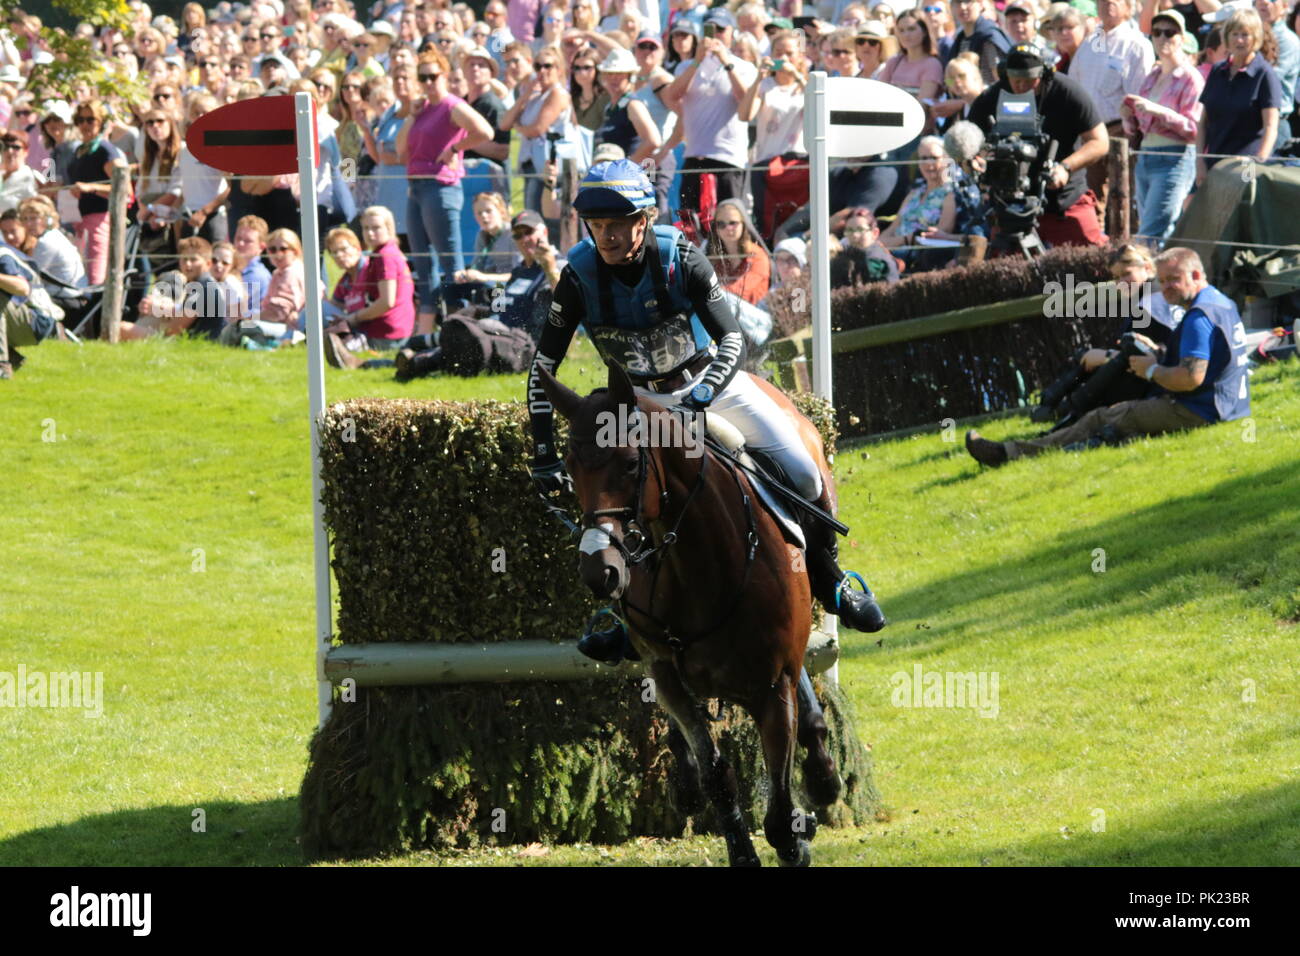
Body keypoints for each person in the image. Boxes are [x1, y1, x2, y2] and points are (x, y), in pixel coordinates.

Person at [526, 159, 887, 662]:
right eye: (596, 225)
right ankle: (622, 616)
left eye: (617, 223)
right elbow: (543, 367)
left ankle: (829, 577)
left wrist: (700, 395)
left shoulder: (683, 258)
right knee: (613, 493)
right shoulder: (579, 276)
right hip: (632, 404)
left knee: (804, 474)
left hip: (707, 384)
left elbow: (732, 339)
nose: (605, 236)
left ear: (645, 219)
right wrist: (543, 452)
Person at [966, 247, 1249, 465]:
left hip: (1202, 410)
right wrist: (1158, 352)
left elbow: (1190, 378)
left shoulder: (1198, 317)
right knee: (1114, 421)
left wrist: (1151, 369)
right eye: (1163, 281)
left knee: (1102, 417)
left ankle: (1010, 454)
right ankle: (1094, 441)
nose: (1166, 288)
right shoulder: (1220, 302)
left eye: (1174, 280)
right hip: (1231, 405)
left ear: (1196, 275)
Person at [967, 45, 1110, 248]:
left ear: (1044, 74)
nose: (1021, 86)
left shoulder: (1066, 91)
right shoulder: (992, 96)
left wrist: (1065, 167)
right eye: (1015, 80)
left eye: (1029, 80)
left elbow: (1100, 141)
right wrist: (974, 159)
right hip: (1009, 204)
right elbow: (965, 139)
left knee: (1092, 259)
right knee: (1006, 269)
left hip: (1063, 199)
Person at [1031, 243, 1185, 426]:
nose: (1122, 282)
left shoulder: (1151, 301)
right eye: (1116, 277)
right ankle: (1056, 403)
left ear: (1148, 268)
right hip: (1155, 369)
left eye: (1127, 274)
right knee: (1087, 357)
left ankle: (1064, 407)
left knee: (1098, 360)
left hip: (1160, 376)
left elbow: (1138, 353)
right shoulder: (1149, 295)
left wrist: (1105, 357)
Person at [396, 208, 561, 380]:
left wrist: (550, 268)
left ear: (544, 232)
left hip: (520, 342)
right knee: (465, 316)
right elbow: (501, 302)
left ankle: (418, 359)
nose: (525, 239)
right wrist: (489, 302)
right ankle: (414, 355)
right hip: (494, 328)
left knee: (470, 335)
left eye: (529, 232)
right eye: (518, 236)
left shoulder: (559, 265)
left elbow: (566, 302)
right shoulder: (520, 270)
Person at [398, 48, 495, 337]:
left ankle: (460, 332)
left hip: (441, 186)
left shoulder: (452, 106)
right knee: (422, 263)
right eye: (422, 77)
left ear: (444, 76)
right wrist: (410, 117)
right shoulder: (422, 109)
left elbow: (485, 132)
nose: (428, 82)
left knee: (450, 261)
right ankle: (424, 337)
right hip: (416, 187)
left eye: (433, 76)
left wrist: (455, 148)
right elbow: (400, 149)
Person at [662, 9, 759, 213]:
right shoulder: (686, 67)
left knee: (730, 225)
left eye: (721, 30)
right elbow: (672, 95)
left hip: (729, 159)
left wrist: (727, 63)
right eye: (711, 30)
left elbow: (745, 102)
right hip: (694, 156)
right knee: (691, 226)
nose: (716, 35)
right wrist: (697, 61)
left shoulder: (744, 67)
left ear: (732, 33)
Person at [1121, 10, 1203, 243]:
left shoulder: (1191, 78)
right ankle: (1157, 279)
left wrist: (1160, 111)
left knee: (1151, 233)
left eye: (1170, 32)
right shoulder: (1153, 75)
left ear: (1182, 38)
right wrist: (1128, 115)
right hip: (1145, 156)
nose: (1163, 38)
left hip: (1174, 158)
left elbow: (1193, 129)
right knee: (1154, 230)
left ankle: (1145, 280)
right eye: (1157, 32)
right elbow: (1138, 125)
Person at [1069, 0, 1155, 217]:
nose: (1108, 3)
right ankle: (1094, 248)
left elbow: (1141, 97)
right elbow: (1074, 87)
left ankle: (1128, 248)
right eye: (1103, 0)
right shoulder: (1088, 45)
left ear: (1129, 6)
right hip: (1089, 132)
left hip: (1123, 132)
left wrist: (1135, 133)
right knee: (1091, 199)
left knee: (1125, 199)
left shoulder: (1137, 44)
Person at [1198, 5, 1283, 184]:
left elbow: (1271, 127)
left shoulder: (1265, 74)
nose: (1240, 40)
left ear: (1256, 38)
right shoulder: (1217, 71)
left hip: (1246, 169)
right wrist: (1199, 162)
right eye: (1235, 34)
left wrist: (1257, 164)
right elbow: (1203, 122)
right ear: (1226, 37)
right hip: (1214, 165)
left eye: (1245, 34)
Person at [324, 206, 416, 367]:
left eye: (376, 227)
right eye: (366, 228)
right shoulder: (386, 252)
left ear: (389, 228)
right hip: (392, 330)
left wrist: (353, 319)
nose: (370, 233)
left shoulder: (385, 256)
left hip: (386, 334)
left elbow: (387, 302)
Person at [741, 27, 808, 240]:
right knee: (767, 224)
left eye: (789, 53)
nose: (783, 58)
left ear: (799, 56)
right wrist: (758, 79)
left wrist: (796, 75)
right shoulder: (766, 85)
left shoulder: (806, 85)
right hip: (766, 162)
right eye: (778, 52)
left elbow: (821, 107)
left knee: (792, 222)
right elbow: (745, 114)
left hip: (797, 163)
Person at [119, 236, 227, 341]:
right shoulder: (203, 284)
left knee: (121, 328)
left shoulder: (204, 288)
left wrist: (158, 311)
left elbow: (174, 330)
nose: (187, 264)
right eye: (184, 259)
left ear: (208, 264)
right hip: (186, 339)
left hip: (189, 344)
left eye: (194, 259)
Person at [66, 100, 127, 286]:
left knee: (95, 277)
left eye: (91, 120)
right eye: (81, 120)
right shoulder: (78, 150)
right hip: (78, 219)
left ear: (101, 122)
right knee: (79, 275)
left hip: (100, 219)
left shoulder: (105, 150)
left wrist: (90, 187)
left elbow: (123, 188)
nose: (85, 125)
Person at [877, 135, 958, 269]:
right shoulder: (914, 193)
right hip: (893, 250)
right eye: (923, 158)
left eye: (934, 157)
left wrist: (904, 241)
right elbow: (892, 228)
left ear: (946, 160)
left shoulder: (949, 194)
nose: (928, 163)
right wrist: (885, 243)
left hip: (917, 258)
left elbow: (939, 234)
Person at [593, 47, 662, 164]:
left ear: (630, 76)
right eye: (609, 73)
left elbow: (653, 141)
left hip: (633, 177)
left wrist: (627, 167)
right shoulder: (610, 107)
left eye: (620, 73)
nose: (613, 78)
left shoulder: (633, 105)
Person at [707, 197, 771, 305]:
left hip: (755, 314)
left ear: (744, 224)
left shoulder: (757, 255)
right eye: (721, 224)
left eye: (733, 223)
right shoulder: (717, 259)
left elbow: (741, 292)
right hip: (726, 311)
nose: (728, 228)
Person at [943, 0, 1012, 85]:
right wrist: (950, 90)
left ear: (980, 5)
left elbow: (1001, 80)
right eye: (958, 2)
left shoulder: (988, 38)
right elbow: (949, 80)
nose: (962, 7)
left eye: (967, 1)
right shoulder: (959, 40)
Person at [831, 206, 901, 285]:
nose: (855, 235)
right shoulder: (852, 255)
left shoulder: (874, 259)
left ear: (875, 233)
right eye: (850, 230)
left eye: (860, 230)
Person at [0, 130, 42, 214]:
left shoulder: (33, 176)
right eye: (6, 147)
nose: (10, 151)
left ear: (26, 151)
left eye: (16, 147)